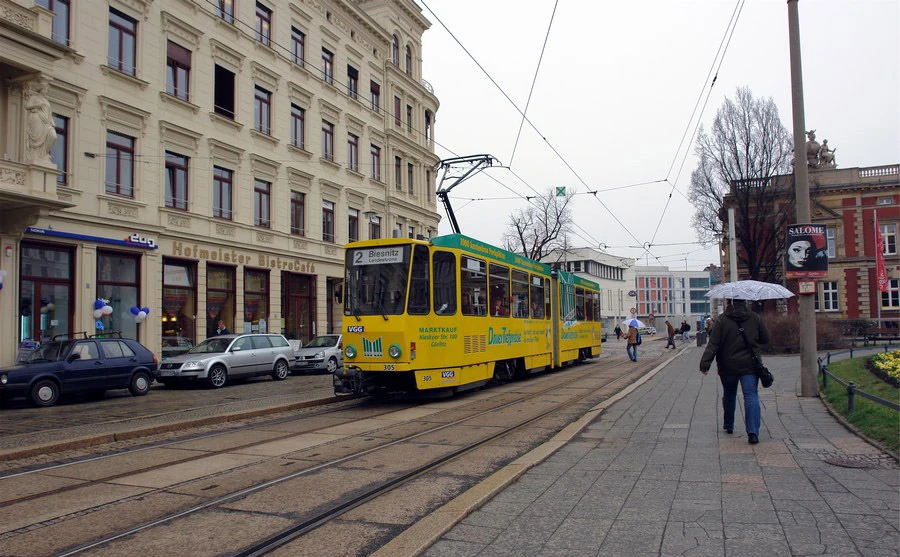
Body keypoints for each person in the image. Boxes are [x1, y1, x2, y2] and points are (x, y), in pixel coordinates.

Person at [699, 298, 770, 444]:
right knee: (751, 395)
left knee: (729, 394)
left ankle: (729, 424)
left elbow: (713, 344)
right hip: (750, 365)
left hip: (728, 365)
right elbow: (765, 339)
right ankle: (753, 432)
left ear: (730, 302)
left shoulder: (722, 320)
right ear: (744, 301)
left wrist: (705, 364)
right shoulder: (755, 318)